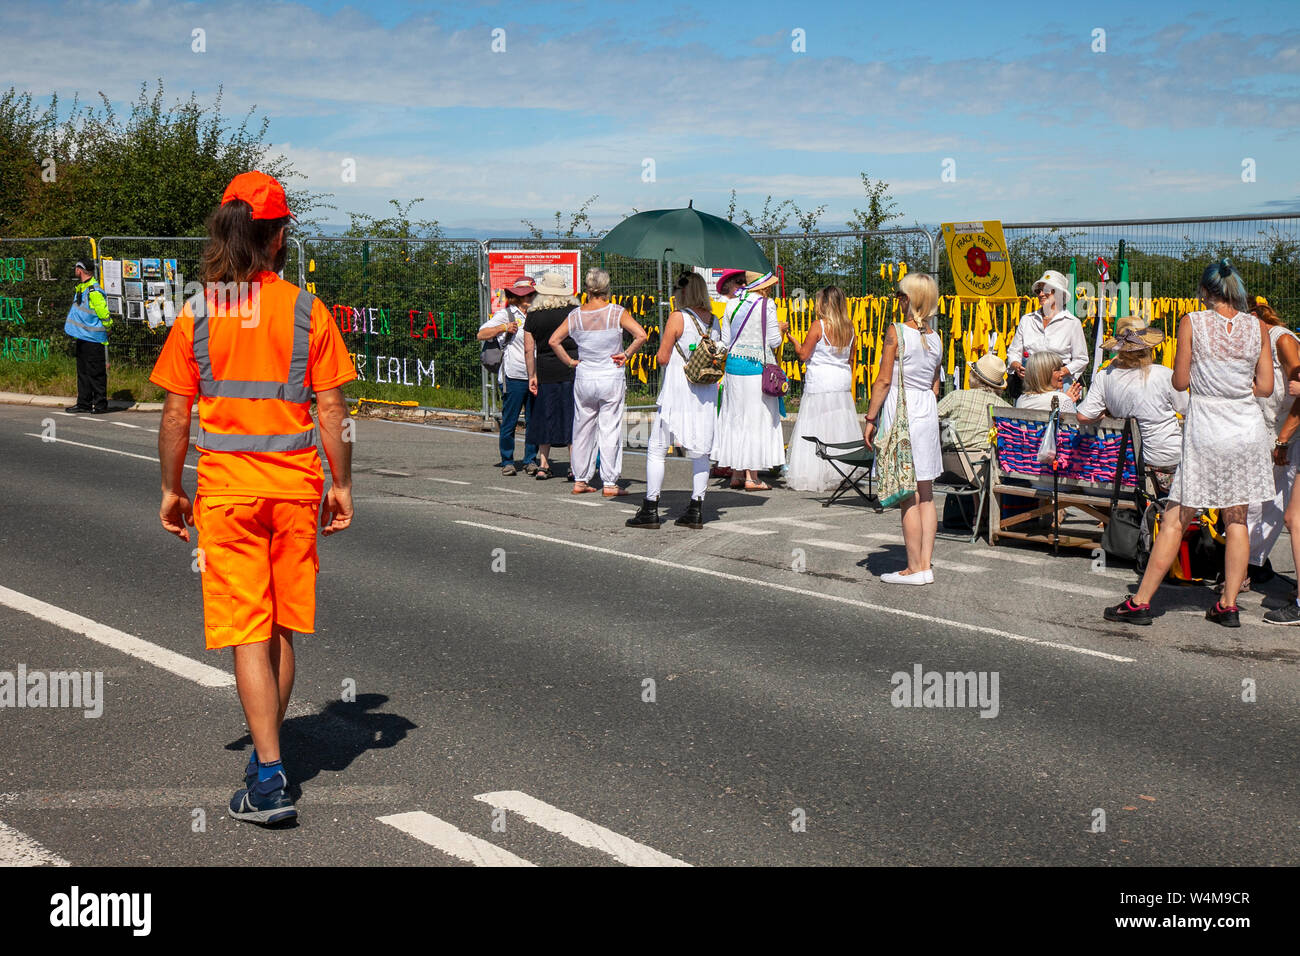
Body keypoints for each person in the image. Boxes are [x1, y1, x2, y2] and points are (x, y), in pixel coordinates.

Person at [149, 170, 357, 824]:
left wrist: (169, 486)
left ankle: (268, 775)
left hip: (229, 492)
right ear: (278, 235)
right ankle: (271, 753)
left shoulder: (199, 311)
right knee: (282, 624)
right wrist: (343, 482)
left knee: (246, 628)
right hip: (295, 488)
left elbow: (177, 414)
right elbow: (331, 406)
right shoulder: (306, 309)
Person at [1105, 259, 1273, 628]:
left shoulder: (1193, 322)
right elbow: (1265, 387)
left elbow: (1180, 382)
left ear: (1204, 291)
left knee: (1178, 515)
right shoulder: (1256, 326)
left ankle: (1141, 600)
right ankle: (1228, 604)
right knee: (1237, 517)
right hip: (1246, 426)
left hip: (1208, 427)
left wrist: (1209, 381)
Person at [863, 272, 943, 585]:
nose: (898, 300)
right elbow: (935, 385)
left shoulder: (896, 332)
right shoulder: (935, 338)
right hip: (926, 410)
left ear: (908, 300)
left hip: (904, 411)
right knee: (926, 493)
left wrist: (870, 418)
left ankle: (913, 567)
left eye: (900, 295)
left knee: (906, 493)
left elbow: (883, 380)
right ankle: (925, 564)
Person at [626, 272, 719, 528]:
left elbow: (663, 357)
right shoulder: (715, 321)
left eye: (678, 288)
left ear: (685, 292)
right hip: (706, 392)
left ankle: (651, 507)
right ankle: (696, 507)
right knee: (701, 450)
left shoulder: (679, 317)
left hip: (679, 389)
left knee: (657, 447)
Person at [549, 268, 647, 496]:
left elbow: (554, 340)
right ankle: (610, 482)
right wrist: (627, 354)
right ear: (606, 288)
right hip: (610, 374)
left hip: (584, 374)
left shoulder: (576, 315)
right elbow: (641, 335)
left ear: (587, 289)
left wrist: (571, 362)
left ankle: (580, 479)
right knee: (609, 428)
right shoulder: (616, 312)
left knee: (582, 428)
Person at [1076, 316, 1187, 493]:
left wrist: (1106, 414)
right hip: (1168, 457)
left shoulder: (1105, 377)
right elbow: (1188, 410)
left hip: (1128, 465)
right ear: (1147, 347)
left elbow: (1083, 416)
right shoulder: (1163, 375)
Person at [1241, 296, 1300, 598]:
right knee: (1255, 498)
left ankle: (1249, 564)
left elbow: (1298, 384)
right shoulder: (1255, 341)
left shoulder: (1283, 339)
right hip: (1264, 426)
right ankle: (1247, 561)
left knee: (1275, 502)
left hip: (1285, 430)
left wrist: (1284, 440)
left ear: (1256, 314)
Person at [711, 271, 788, 490]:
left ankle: (736, 473)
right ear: (762, 286)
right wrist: (781, 330)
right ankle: (752, 477)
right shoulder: (767, 305)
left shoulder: (731, 304)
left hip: (733, 369)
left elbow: (725, 341)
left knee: (735, 419)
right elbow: (773, 341)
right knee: (755, 421)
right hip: (756, 369)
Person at [784, 285, 862, 491]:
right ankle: (840, 469)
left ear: (824, 303)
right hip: (842, 381)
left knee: (816, 424)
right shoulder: (850, 328)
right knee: (839, 426)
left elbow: (803, 355)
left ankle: (814, 472)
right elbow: (851, 359)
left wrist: (793, 340)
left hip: (821, 381)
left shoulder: (818, 326)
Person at [479, 277, 539, 476]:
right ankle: (507, 460)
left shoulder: (538, 313)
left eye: (532, 293)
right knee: (510, 420)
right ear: (516, 297)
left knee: (534, 420)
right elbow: (481, 333)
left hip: (535, 374)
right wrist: (503, 328)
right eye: (526, 294)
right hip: (513, 374)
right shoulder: (506, 314)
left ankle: (531, 460)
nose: (530, 297)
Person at [524, 283, 580, 480]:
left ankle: (543, 464)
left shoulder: (534, 314)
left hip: (545, 369)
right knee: (572, 416)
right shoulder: (574, 312)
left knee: (545, 415)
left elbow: (529, 349)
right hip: (571, 367)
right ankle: (575, 465)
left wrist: (532, 375)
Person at [1007, 270, 1088, 390]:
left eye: (1046, 290)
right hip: (1030, 384)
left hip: (1061, 386)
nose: (1041, 294)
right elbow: (1014, 352)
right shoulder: (1026, 320)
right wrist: (1017, 366)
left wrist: (1061, 372)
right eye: (1038, 290)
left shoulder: (1072, 323)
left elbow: (1081, 359)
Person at [937, 352, 1009, 461]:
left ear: (974, 377)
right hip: (986, 466)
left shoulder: (956, 396)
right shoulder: (1005, 408)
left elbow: (932, 419)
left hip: (951, 463)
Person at [64, 260, 114, 414]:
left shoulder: (93, 290)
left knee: (96, 372)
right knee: (83, 372)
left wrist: (109, 327)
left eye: (76, 268)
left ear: (80, 270)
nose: (75, 270)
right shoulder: (82, 288)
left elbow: (103, 312)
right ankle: (84, 403)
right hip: (82, 337)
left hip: (93, 339)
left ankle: (100, 404)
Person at [1015, 350, 1082, 412]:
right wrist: (1067, 401)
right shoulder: (1062, 400)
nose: (1062, 373)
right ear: (1044, 374)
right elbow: (1071, 424)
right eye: (1057, 370)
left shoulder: (1021, 400)